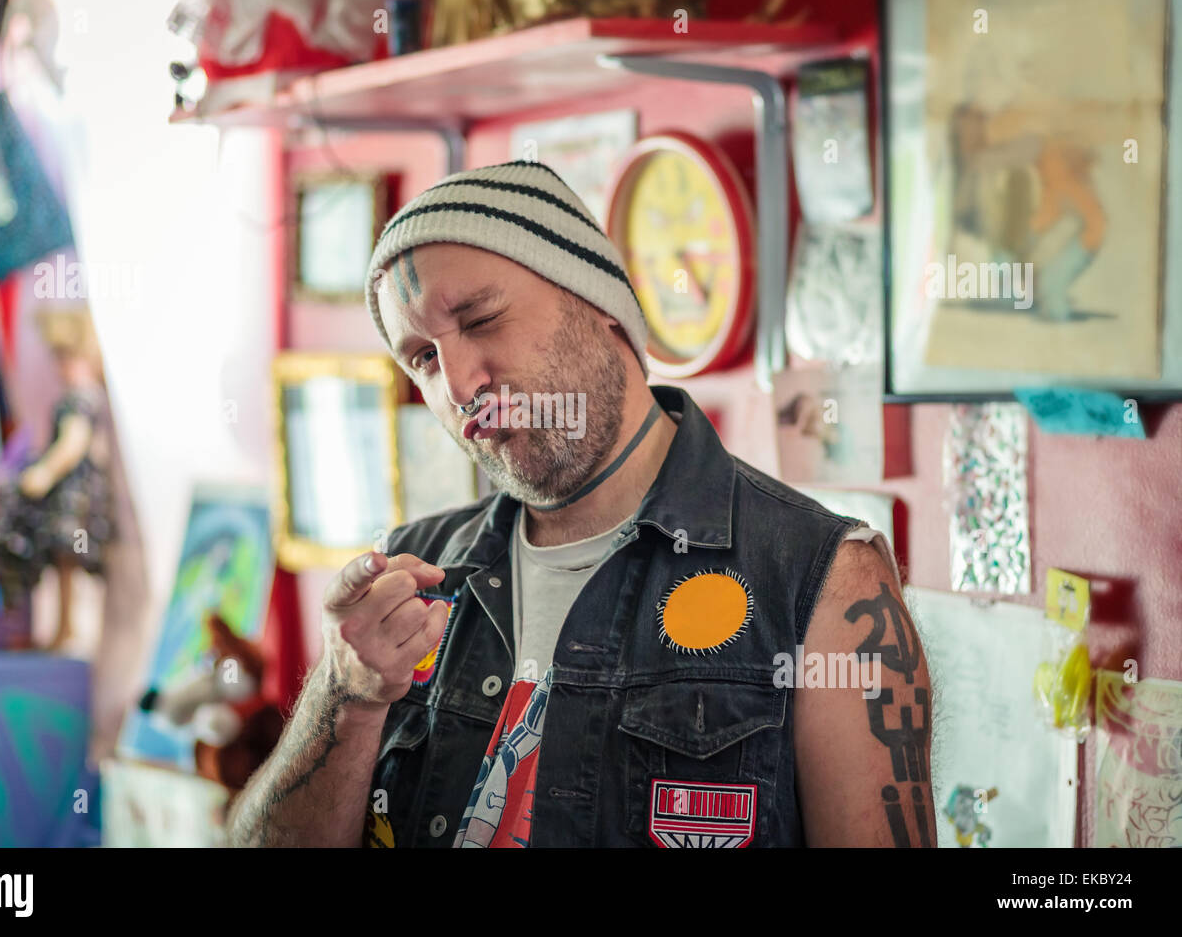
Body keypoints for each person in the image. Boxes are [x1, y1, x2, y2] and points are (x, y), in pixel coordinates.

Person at [228, 160, 935, 848]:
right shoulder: (414, 573)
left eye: (480, 318)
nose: (460, 381)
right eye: (422, 358)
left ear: (601, 304)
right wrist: (344, 698)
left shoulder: (820, 579)